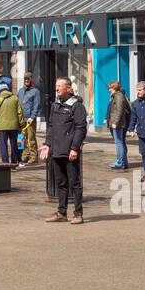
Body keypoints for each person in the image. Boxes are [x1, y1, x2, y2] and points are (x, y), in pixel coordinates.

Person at [38, 77, 88, 223]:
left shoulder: (77, 106)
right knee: (61, 183)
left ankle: (78, 214)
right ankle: (61, 212)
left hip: (70, 151)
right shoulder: (55, 105)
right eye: (56, 86)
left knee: (75, 183)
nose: (57, 88)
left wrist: (75, 148)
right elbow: (51, 127)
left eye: (60, 86)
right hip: (56, 150)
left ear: (68, 88)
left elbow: (81, 128)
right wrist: (47, 143)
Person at [0, 76, 24, 166]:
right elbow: (20, 113)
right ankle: (14, 162)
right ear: (8, 89)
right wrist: (22, 125)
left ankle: (5, 163)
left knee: (3, 146)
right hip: (14, 126)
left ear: (0, 90)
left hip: (2, 127)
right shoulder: (15, 98)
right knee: (14, 144)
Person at [106, 80, 131, 170]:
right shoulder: (115, 96)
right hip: (115, 123)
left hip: (118, 124)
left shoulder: (119, 97)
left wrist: (115, 122)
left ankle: (120, 162)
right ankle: (123, 162)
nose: (109, 90)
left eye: (110, 88)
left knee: (119, 142)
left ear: (114, 87)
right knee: (119, 142)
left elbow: (119, 111)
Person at [18, 74, 42, 166]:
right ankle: (25, 155)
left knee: (31, 138)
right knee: (22, 138)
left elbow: (37, 105)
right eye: (25, 79)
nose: (26, 80)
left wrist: (32, 117)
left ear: (31, 79)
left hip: (29, 119)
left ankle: (33, 156)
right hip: (21, 119)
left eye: (28, 79)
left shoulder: (35, 91)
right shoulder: (20, 91)